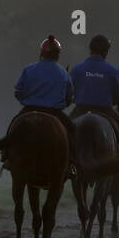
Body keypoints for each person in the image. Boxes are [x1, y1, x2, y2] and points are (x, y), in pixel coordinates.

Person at [13, 34, 77, 176]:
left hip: (29, 110)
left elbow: (17, 92)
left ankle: (7, 156)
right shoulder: (64, 74)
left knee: (13, 126)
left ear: (42, 52)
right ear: (58, 54)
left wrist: (25, 99)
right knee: (72, 130)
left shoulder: (28, 69)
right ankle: (72, 163)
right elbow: (69, 98)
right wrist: (62, 104)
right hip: (54, 113)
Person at [68, 34, 119, 168]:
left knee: (65, 129)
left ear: (90, 49)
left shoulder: (77, 69)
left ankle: (65, 161)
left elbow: (70, 92)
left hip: (80, 109)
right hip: (105, 109)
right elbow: (118, 98)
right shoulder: (112, 70)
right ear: (106, 51)